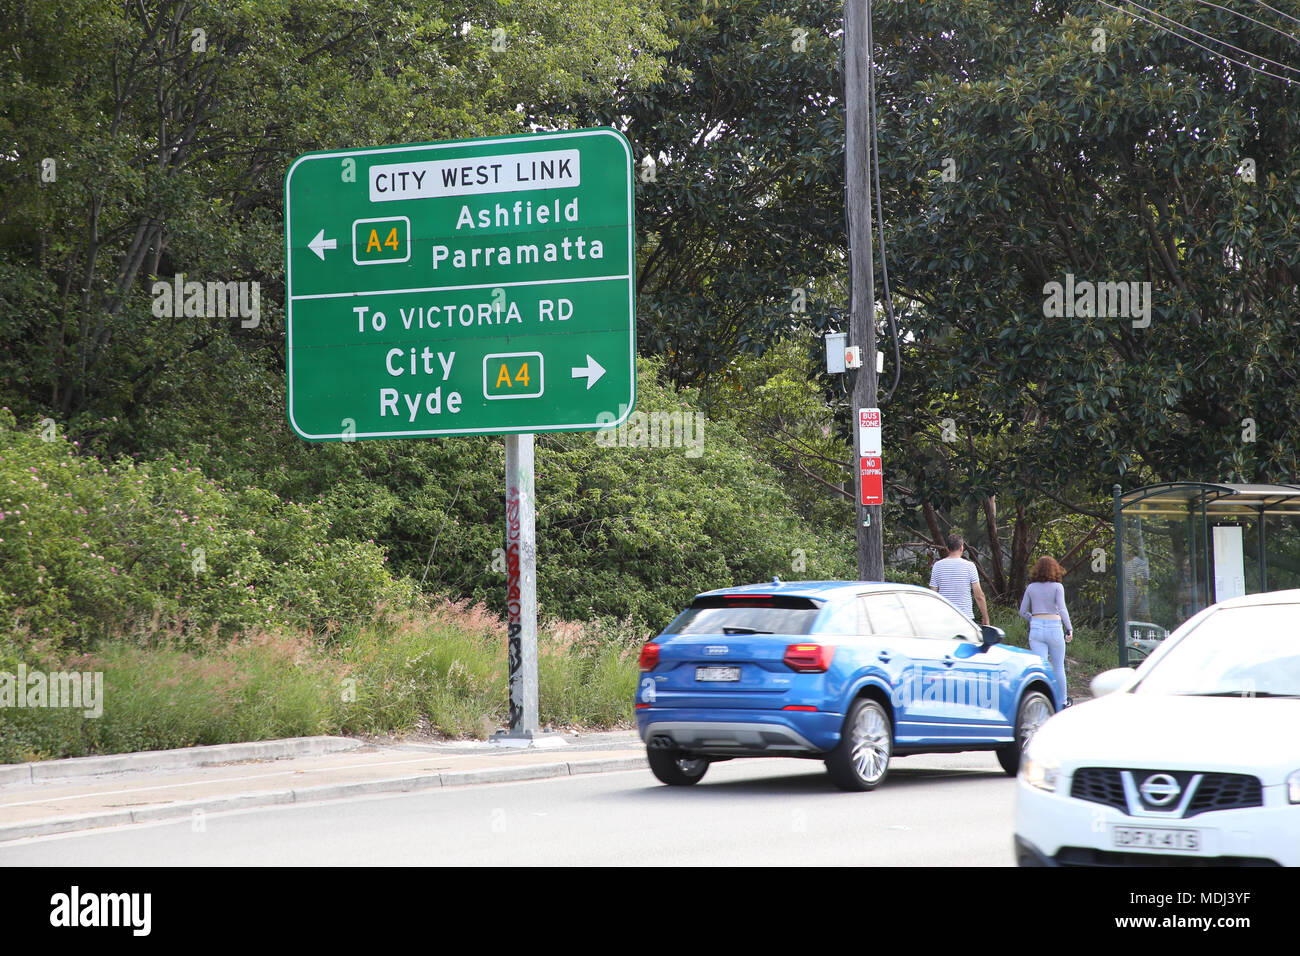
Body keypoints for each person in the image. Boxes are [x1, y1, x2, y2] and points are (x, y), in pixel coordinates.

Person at [1019, 555, 1073, 707]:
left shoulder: (1031, 588)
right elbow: (1062, 609)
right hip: (1054, 628)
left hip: (1036, 629)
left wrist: (1034, 619)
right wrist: (1069, 628)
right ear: (1054, 569)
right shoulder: (1057, 587)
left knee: (1039, 668)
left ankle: (1040, 701)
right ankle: (1063, 702)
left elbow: (1022, 611)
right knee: (1058, 667)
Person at [929, 534, 990, 626]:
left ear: (947, 549)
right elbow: (979, 596)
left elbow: (933, 595)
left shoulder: (937, 566)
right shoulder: (970, 566)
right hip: (965, 618)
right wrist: (985, 618)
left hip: (943, 618)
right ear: (961, 548)